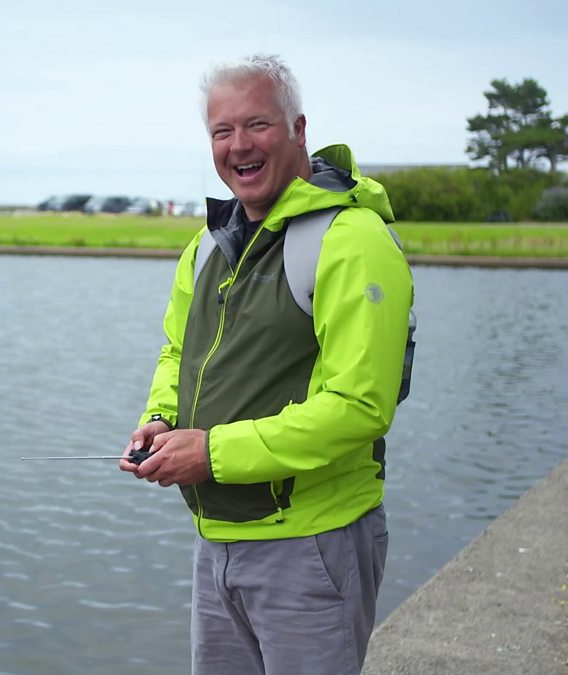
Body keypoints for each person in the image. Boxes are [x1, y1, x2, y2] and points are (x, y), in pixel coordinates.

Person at [119, 54, 413, 674]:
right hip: (218, 539)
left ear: (299, 130)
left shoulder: (351, 239)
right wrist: (161, 418)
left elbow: (360, 406)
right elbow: (179, 351)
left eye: (257, 125)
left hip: (313, 542)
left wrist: (212, 454)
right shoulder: (208, 243)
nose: (238, 146)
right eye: (222, 132)